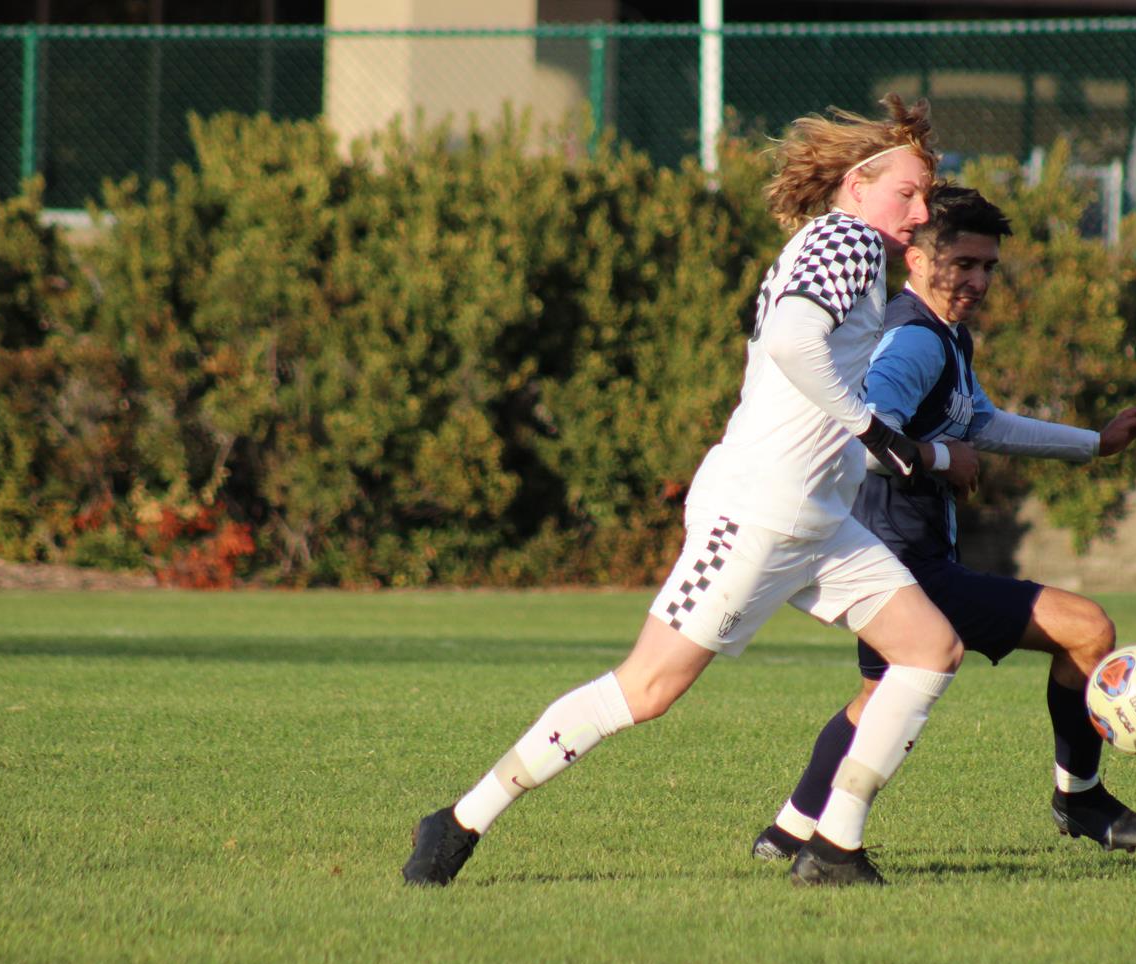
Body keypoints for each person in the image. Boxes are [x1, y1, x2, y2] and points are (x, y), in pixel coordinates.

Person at [403, 95, 965, 889]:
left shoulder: (855, 252)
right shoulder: (847, 239)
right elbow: (792, 341)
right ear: (855, 187)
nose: (921, 212)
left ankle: (835, 846)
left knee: (929, 648)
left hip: (817, 518)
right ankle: (460, 821)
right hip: (759, 512)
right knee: (648, 688)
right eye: (907, 193)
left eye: (925, 197)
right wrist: (874, 431)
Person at [749, 184, 1136, 864]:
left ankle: (789, 830)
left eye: (988, 267)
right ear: (915, 258)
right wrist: (942, 460)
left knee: (877, 697)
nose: (977, 281)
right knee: (1088, 629)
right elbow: (863, 437)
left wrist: (1095, 443)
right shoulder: (915, 341)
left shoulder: (942, 334)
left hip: (891, 556)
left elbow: (984, 423)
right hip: (902, 562)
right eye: (962, 263)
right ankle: (1081, 797)